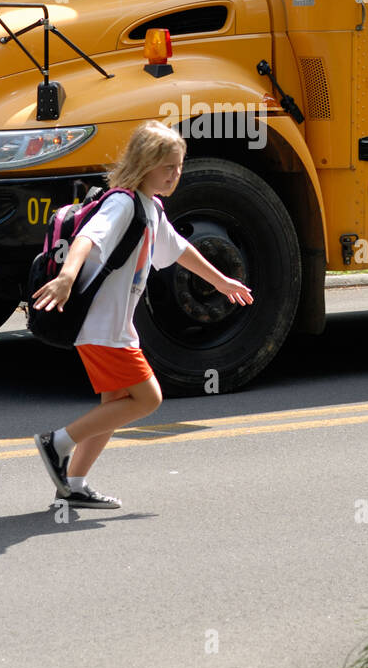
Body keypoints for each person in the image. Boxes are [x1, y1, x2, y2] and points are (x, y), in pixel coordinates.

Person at [31, 121, 253, 509]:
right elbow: (88, 238)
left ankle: (75, 485)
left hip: (115, 327)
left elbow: (179, 249)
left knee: (113, 406)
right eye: (168, 166)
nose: (175, 174)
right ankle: (57, 442)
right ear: (145, 164)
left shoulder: (150, 208)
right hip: (102, 327)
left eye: (180, 166)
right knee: (149, 398)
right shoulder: (123, 203)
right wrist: (66, 277)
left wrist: (221, 282)